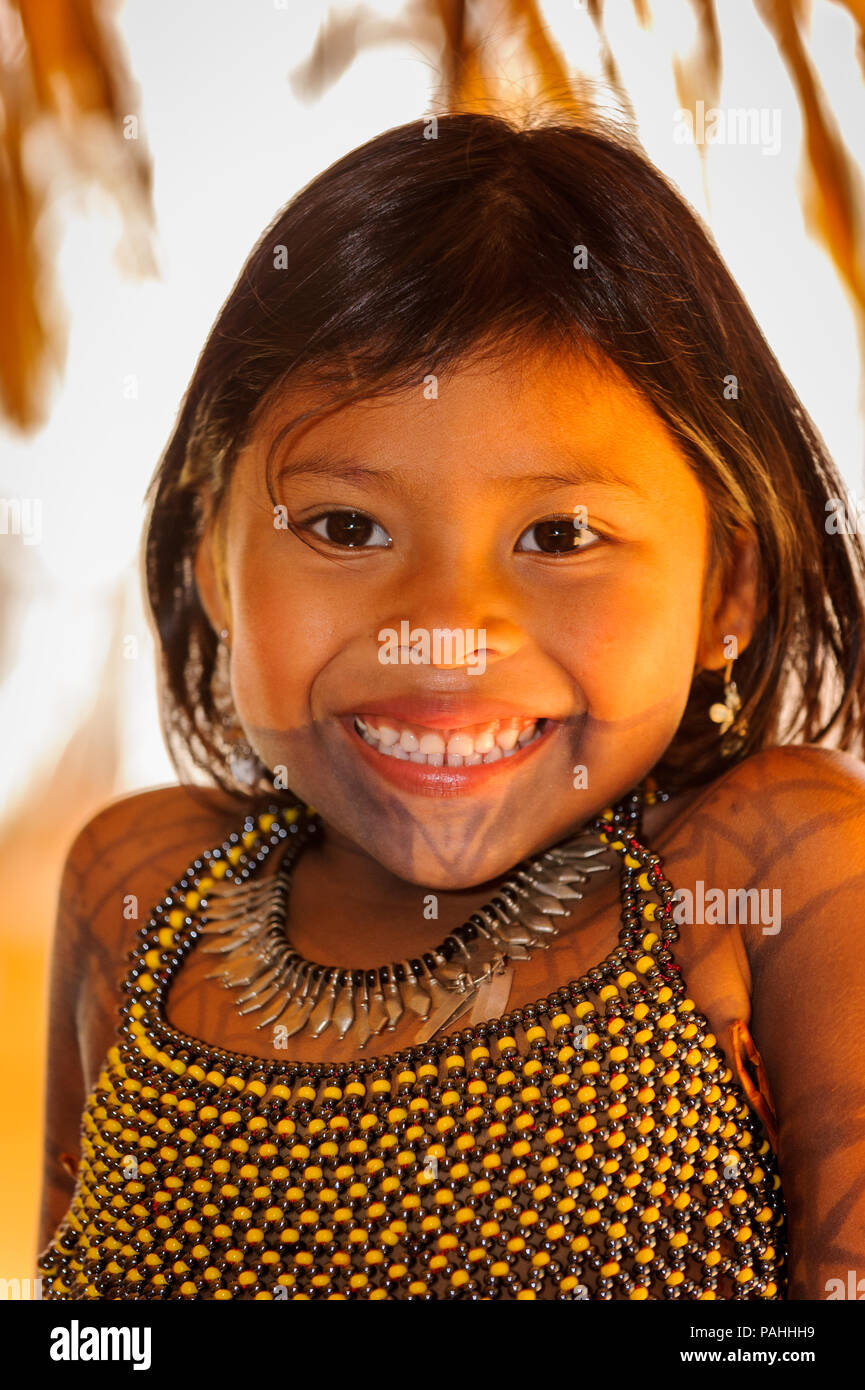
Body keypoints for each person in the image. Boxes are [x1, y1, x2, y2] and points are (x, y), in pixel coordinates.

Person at [35, 111, 865, 1301]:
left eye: (561, 535)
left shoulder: (770, 872)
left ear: (724, 588)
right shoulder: (141, 885)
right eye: (342, 527)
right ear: (216, 564)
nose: (443, 630)